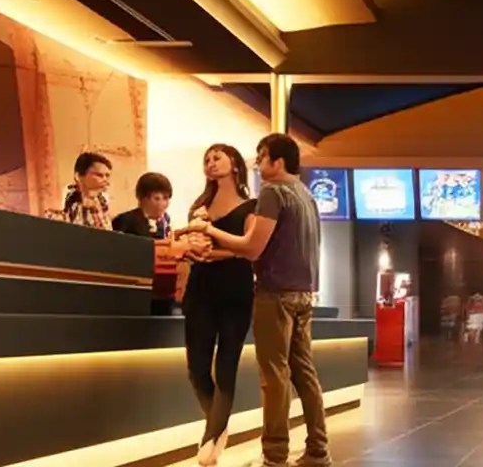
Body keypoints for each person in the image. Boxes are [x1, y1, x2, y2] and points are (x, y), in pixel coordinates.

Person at [188, 134, 330, 467]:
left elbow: (252, 247)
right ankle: (318, 450)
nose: (257, 163)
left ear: (277, 162)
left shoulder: (273, 193)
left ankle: (275, 455)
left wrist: (208, 231)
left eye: (261, 156)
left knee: (274, 376)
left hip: (275, 294)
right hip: (304, 294)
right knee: (304, 374)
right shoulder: (307, 195)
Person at [183, 145, 257, 466]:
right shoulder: (199, 206)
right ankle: (220, 423)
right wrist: (190, 248)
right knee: (197, 368)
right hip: (200, 287)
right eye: (207, 160)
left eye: (218, 158)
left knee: (226, 365)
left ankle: (211, 435)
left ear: (235, 165)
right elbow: (192, 244)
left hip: (235, 289)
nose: (211, 164)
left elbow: (249, 249)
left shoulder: (251, 206)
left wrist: (214, 252)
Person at [112, 172, 179, 315]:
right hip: (137, 289)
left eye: (166, 198)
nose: (162, 203)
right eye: (157, 198)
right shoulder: (126, 220)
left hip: (163, 288)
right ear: (143, 198)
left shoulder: (167, 222)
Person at [62, 152, 112, 229]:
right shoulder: (64, 199)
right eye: (99, 175)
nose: (105, 180)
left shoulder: (103, 202)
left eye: (107, 176)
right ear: (78, 176)